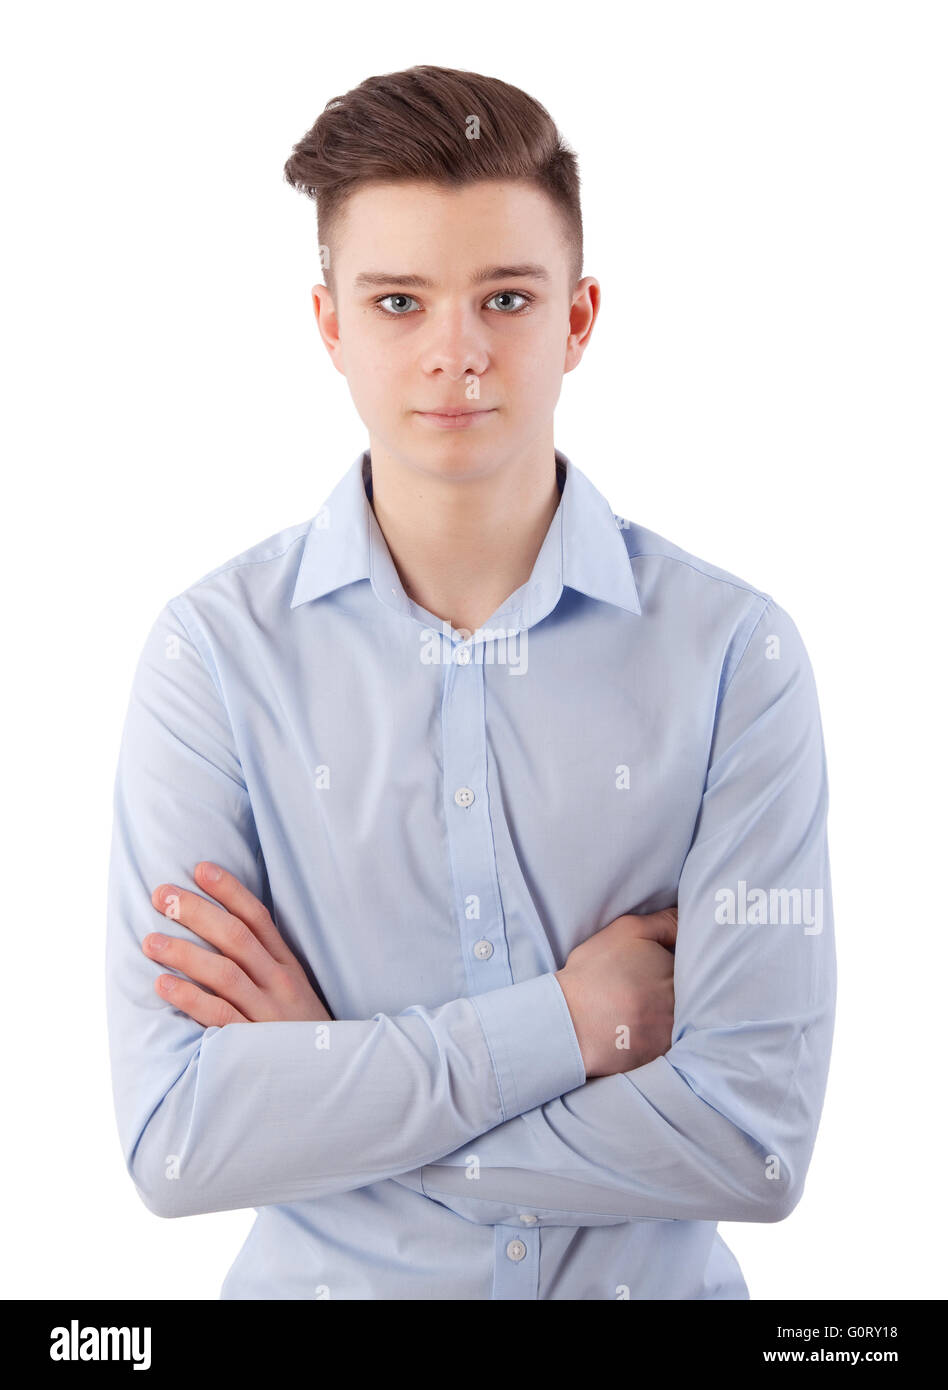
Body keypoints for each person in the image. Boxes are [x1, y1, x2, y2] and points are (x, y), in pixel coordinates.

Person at [105, 64, 836, 1300]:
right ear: (331, 324)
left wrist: (326, 1083)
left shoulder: (734, 661)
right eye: (399, 301)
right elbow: (177, 1135)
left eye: (506, 297)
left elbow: (752, 1143)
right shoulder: (212, 660)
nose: (458, 355)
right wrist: (565, 1023)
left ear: (580, 319)